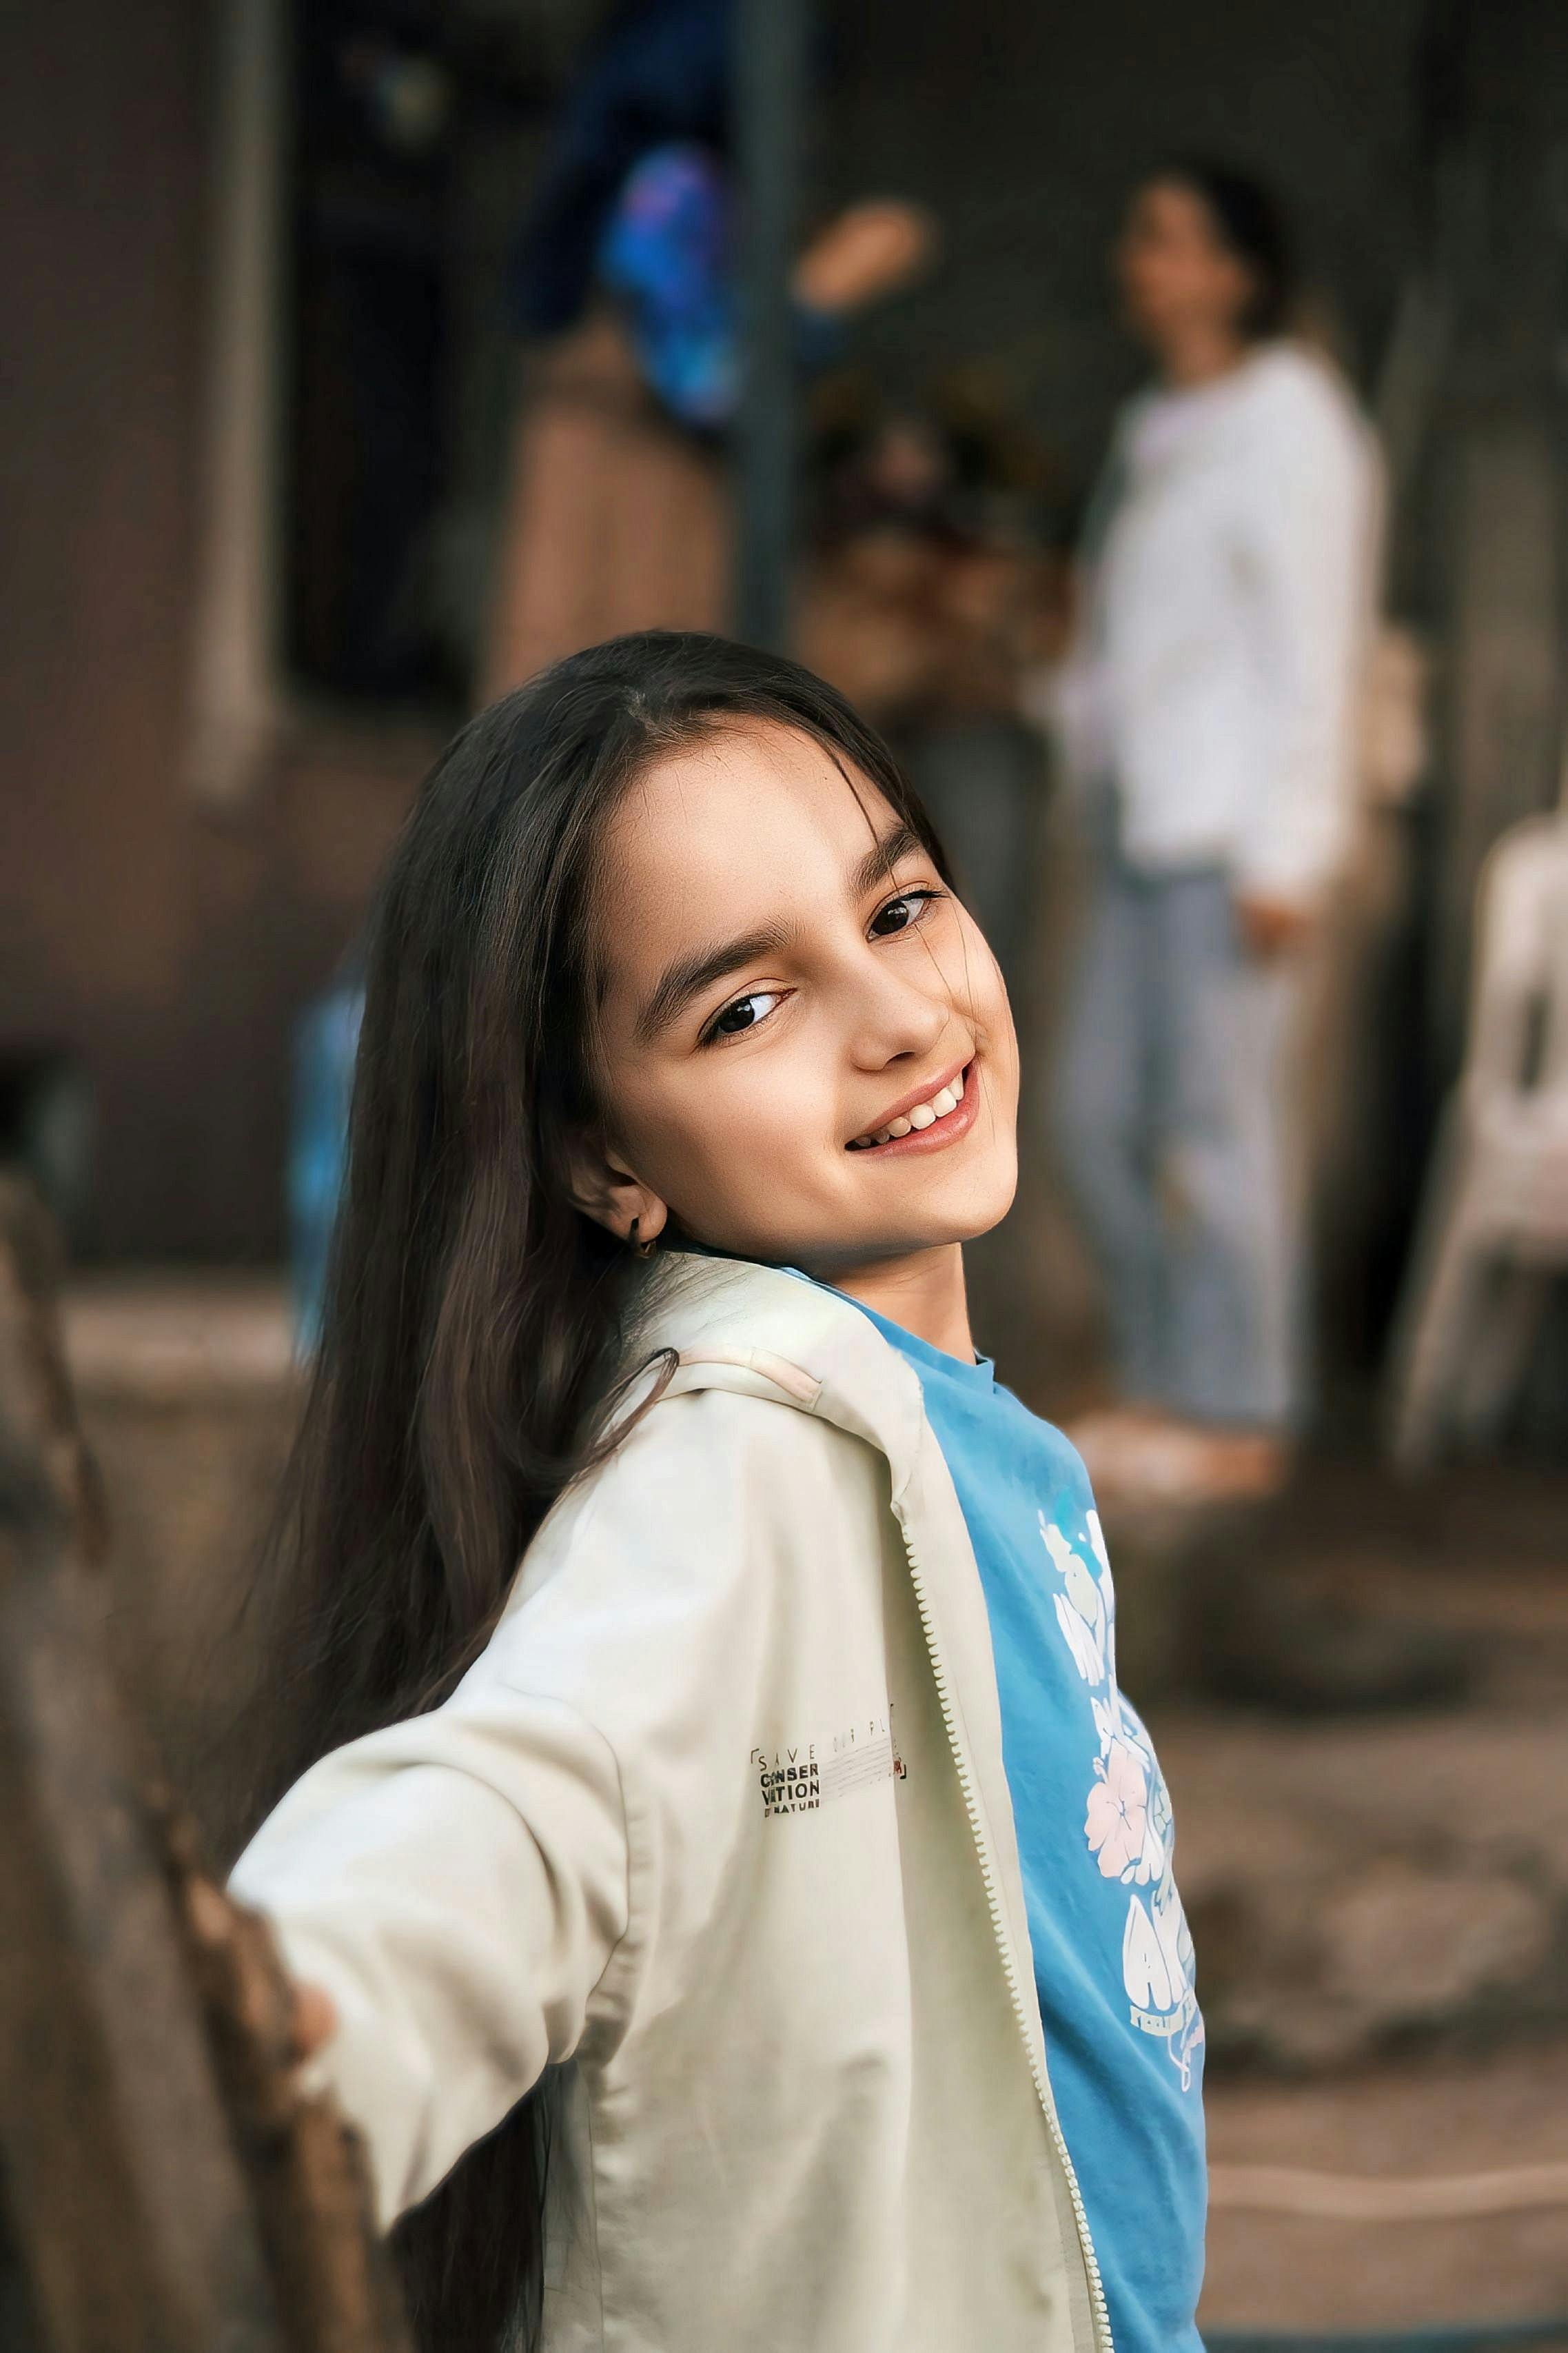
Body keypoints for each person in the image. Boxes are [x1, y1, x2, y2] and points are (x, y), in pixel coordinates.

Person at [228, 632, 1206, 2353]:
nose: (900, 1019)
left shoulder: (949, 1430)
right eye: (747, 1008)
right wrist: (267, 2030)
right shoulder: (736, 1467)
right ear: (600, 1156)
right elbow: (507, 1810)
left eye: (897, 909)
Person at [1048, 162, 1382, 1498]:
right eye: (1139, 234)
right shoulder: (1155, 424)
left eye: (1170, 238)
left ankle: (1240, 1415)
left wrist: (1290, 848)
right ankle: (1158, 1380)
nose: (1140, 259)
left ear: (1237, 273)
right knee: (1086, 1117)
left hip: (1230, 836)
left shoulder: (1293, 419)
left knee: (1218, 1130)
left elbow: (1318, 643)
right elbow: (1127, 638)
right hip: (1138, 825)